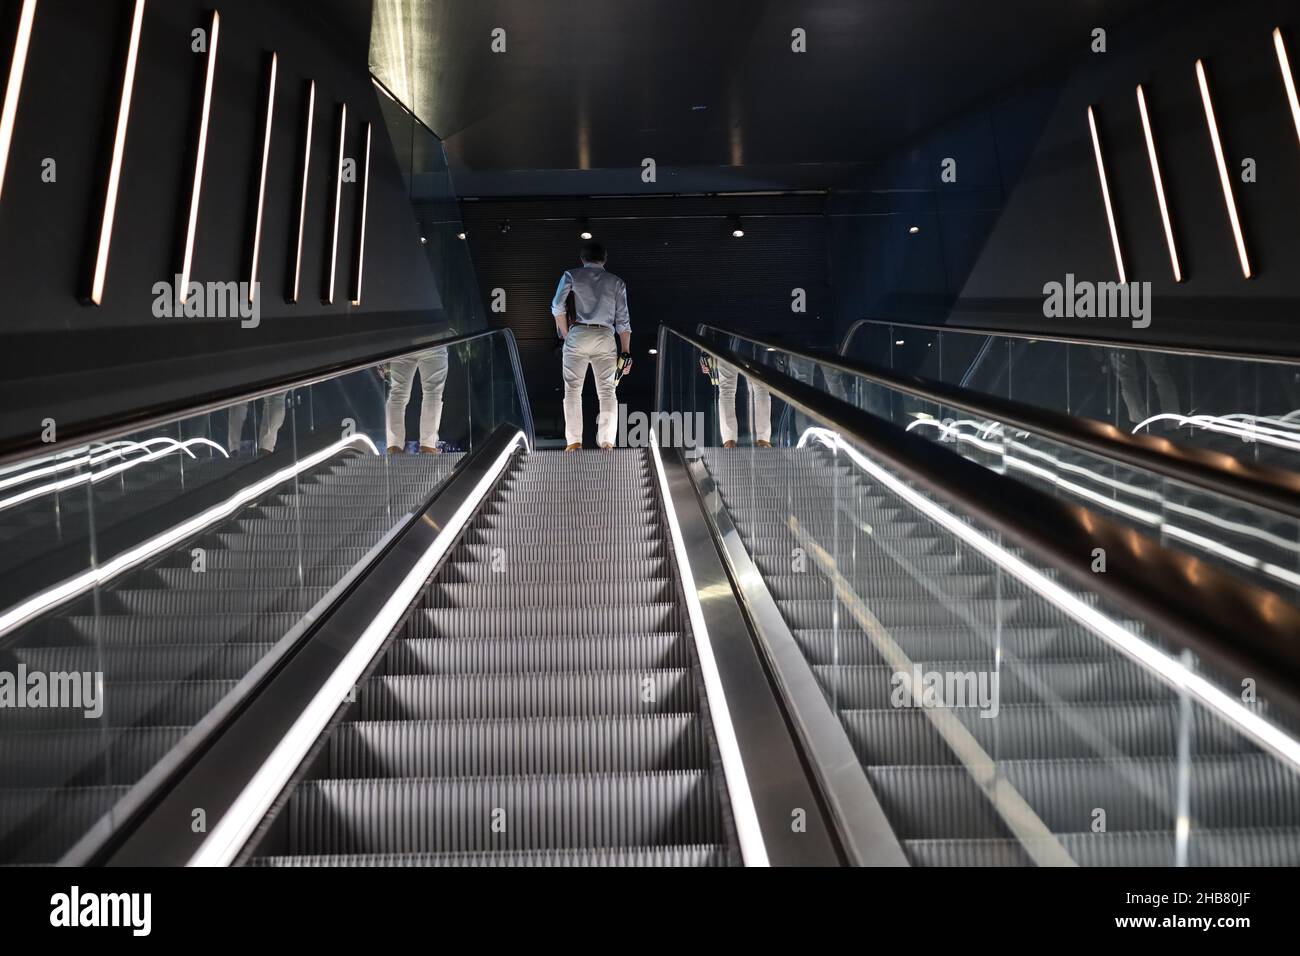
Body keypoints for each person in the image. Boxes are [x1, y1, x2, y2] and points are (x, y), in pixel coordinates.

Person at [551, 242, 631, 450]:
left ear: (582, 259)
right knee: (607, 391)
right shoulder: (617, 282)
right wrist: (626, 351)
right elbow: (623, 321)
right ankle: (606, 441)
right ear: (604, 259)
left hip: (577, 333)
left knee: (572, 391)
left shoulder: (570, 275)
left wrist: (567, 335)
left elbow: (557, 306)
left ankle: (574, 442)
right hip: (605, 335)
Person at [384, 345, 449, 453]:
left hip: (402, 339)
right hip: (434, 337)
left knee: (397, 396)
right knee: (433, 394)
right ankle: (428, 449)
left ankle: (393, 449)